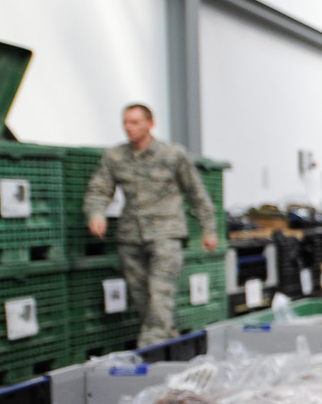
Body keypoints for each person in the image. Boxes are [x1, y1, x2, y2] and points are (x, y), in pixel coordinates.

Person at [82, 102, 219, 347]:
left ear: (150, 124)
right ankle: (172, 346)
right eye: (126, 122)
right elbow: (99, 189)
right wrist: (96, 215)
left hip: (166, 235)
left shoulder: (173, 155)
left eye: (135, 122)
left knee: (160, 294)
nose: (129, 128)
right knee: (142, 299)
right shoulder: (115, 157)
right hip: (130, 237)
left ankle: (148, 351)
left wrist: (208, 229)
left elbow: (196, 193)